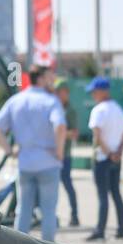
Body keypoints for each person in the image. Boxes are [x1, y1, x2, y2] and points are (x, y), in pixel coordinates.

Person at [0, 64, 65, 241]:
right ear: (40, 78)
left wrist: (9, 151)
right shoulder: (51, 101)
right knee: (48, 211)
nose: (52, 80)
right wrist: (59, 152)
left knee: (23, 209)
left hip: (25, 162)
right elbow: (60, 126)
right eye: (49, 77)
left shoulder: (16, 101)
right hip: (48, 161)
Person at [85, 77, 123, 241]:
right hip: (116, 159)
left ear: (103, 91)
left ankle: (100, 230)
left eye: (94, 92)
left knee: (102, 195)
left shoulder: (99, 110)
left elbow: (97, 137)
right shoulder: (118, 110)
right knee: (116, 193)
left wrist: (109, 154)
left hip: (103, 158)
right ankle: (121, 229)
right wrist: (119, 153)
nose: (93, 95)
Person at [54, 78, 81, 227]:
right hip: (52, 155)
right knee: (51, 188)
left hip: (65, 155)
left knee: (68, 185)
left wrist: (60, 133)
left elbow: (75, 133)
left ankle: (75, 215)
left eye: (61, 92)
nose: (59, 95)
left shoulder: (70, 111)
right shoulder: (53, 107)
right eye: (57, 92)